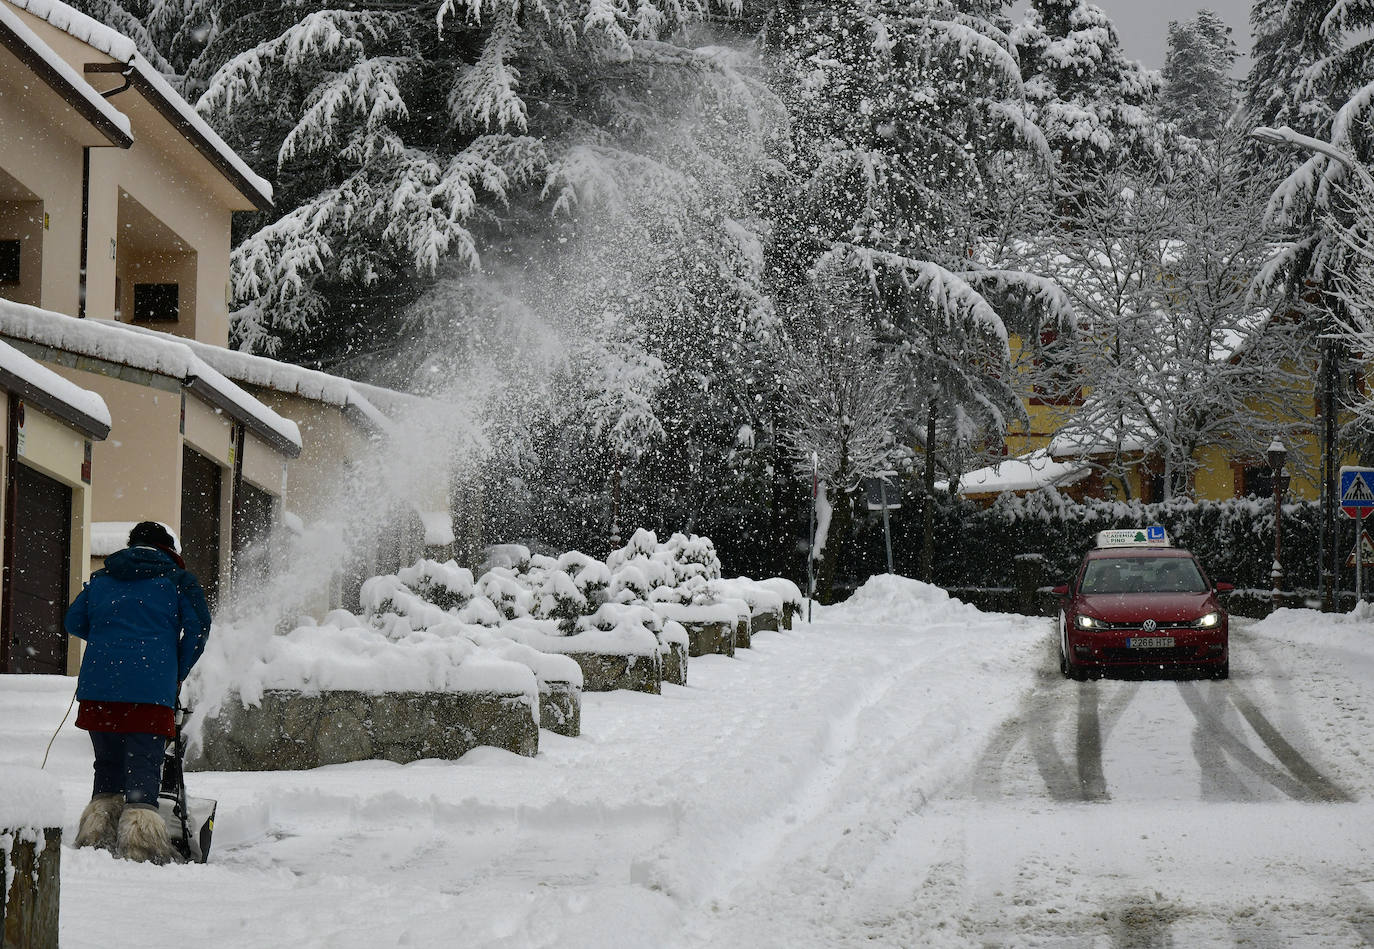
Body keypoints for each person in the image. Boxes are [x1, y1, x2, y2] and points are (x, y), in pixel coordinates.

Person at [65, 521, 211, 864]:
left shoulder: (102, 579)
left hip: (98, 689)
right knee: (144, 762)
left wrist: (110, 639)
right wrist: (177, 668)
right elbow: (199, 627)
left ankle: (97, 836)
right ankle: (140, 846)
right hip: (150, 689)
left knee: (108, 763)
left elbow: (74, 621)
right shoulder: (178, 581)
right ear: (169, 549)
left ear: (132, 546)